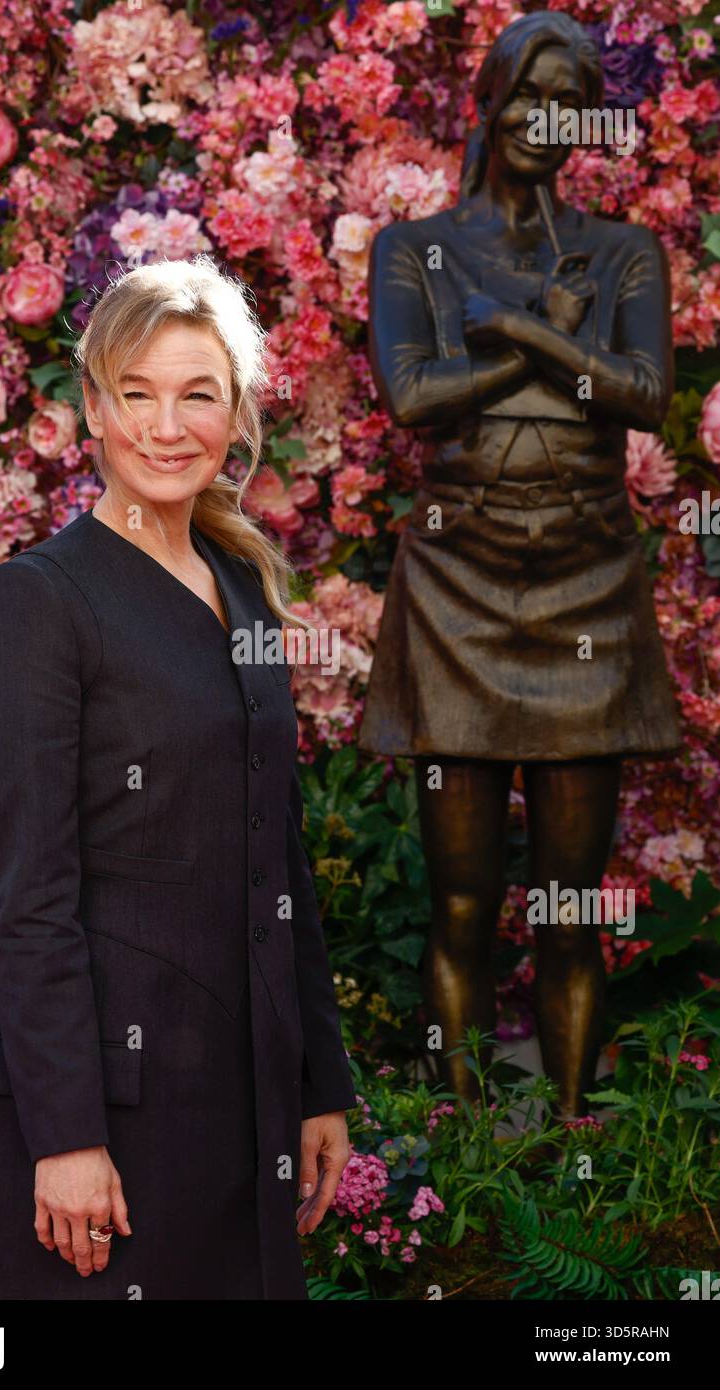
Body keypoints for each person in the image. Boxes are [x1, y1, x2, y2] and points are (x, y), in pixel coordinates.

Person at [0, 255, 356, 1301]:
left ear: (237, 411)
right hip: (104, 1125)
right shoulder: (37, 603)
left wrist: (315, 1084)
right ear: (94, 408)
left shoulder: (245, 589)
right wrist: (65, 1135)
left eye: (198, 393)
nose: (168, 427)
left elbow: (278, 854)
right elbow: (25, 892)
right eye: (139, 394)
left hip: (243, 1104)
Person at [356, 11, 680, 1117]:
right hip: (459, 589)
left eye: (569, 100)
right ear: (489, 99)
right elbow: (412, 399)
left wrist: (522, 328)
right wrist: (539, 334)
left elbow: (640, 398)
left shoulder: (626, 250)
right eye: (530, 95)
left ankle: (574, 1134)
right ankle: (461, 1135)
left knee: (570, 904)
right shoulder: (415, 249)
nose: (546, 122)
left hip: (588, 575)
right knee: (460, 900)